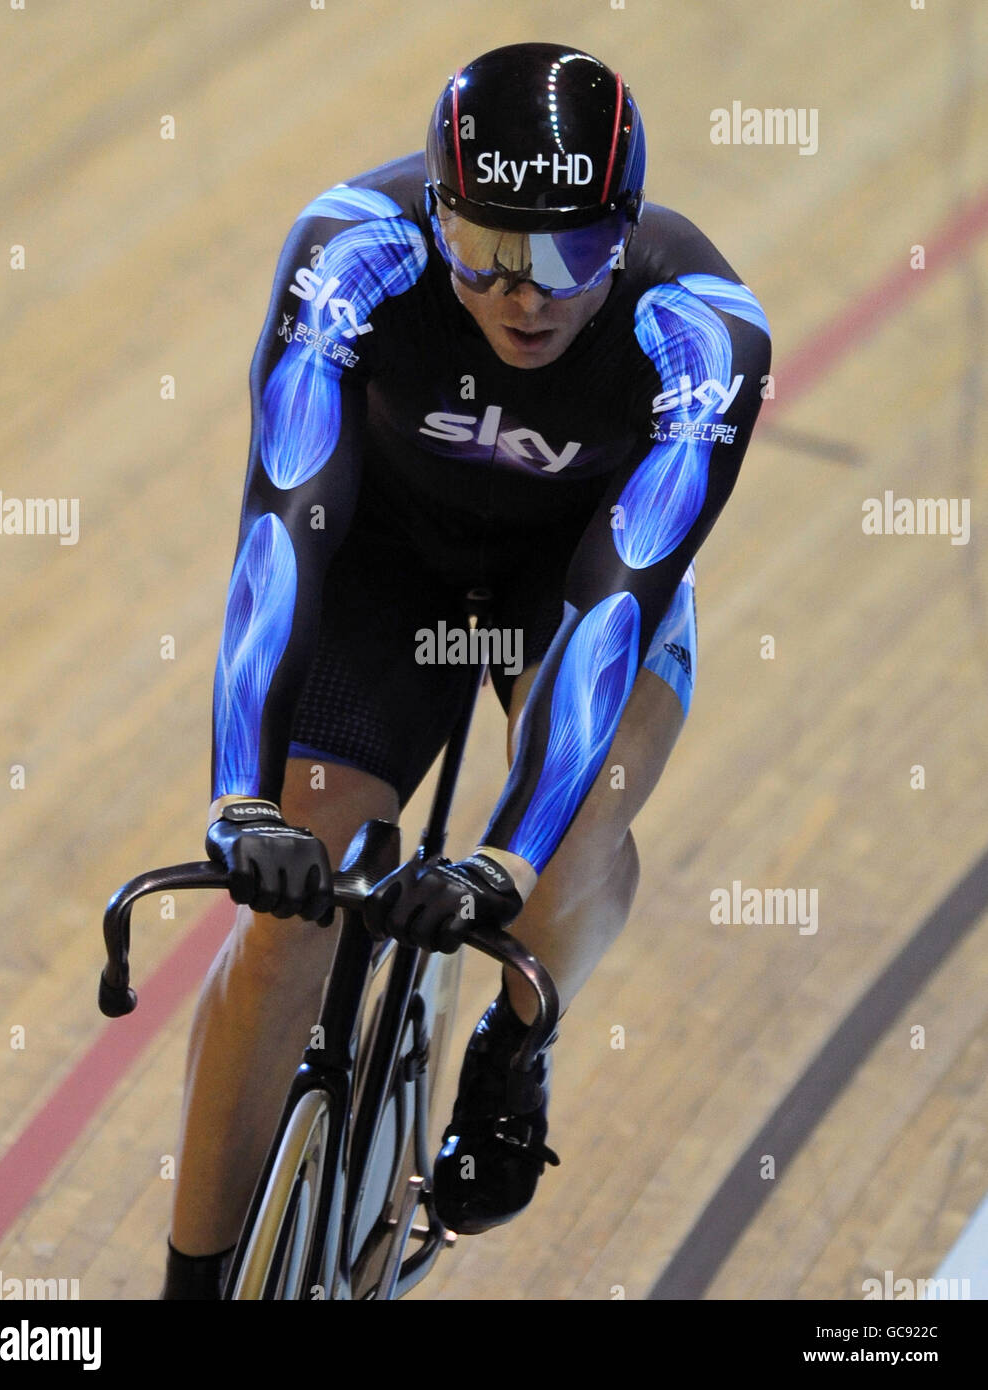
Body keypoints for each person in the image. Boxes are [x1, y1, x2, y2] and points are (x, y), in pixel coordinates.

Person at [161, 41, 771, 1299]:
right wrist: (241, 798)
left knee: (583, 820)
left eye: (566, 254)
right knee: (292, 903)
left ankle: (516, 1039)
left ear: (626, 226)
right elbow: (282, 526)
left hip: (578, 577)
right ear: (435, 216)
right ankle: (189, 1279)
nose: (523, 295)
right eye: (486, 250)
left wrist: (507, 857)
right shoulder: (352, 254)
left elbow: (615, 609)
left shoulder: (703, 334)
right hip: (388, 558)